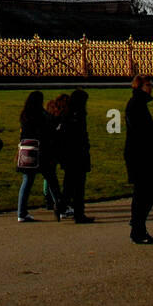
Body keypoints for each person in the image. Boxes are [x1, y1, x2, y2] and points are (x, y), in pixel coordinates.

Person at [124, 74, 153, 243]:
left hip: (139, 153)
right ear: (140, 86)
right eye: (148, 85)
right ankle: (137, 226)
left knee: (144, 191)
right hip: (139, 154)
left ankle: (137, 226)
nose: (151, 88)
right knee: (150, 188)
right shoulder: (137, 105)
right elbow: (142, 131)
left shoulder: (138, 104)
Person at [16, 90, 63, 222]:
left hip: (26, 149)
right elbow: (50, 128)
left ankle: (21, 212)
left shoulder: (25, 114)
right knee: (52, 180)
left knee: (27, 182)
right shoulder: (41, 115)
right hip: (42, 152)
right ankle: (61, 207)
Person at [58, 87, 94, 223]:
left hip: (70, 155)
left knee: (69, 185)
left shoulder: (68, 114)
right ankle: (78, 213)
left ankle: (62, 206)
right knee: (78, 186)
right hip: (77, 154)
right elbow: (79, 137)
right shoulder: (77, 115)